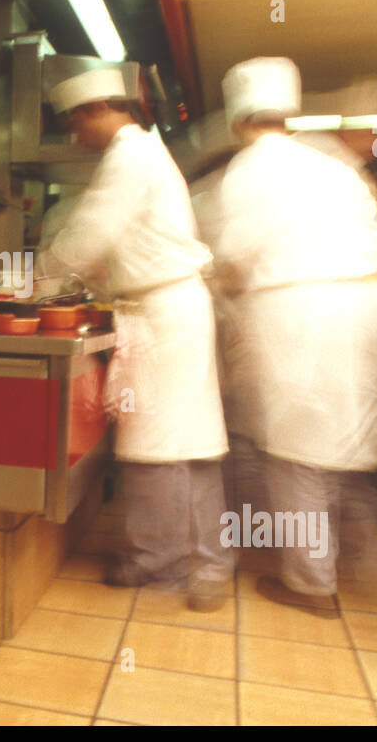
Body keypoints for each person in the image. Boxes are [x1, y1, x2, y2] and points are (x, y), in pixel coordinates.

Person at [213, 57, 377, 600]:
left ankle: (311, 581)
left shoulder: (248, 169)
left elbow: (233, 264)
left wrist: (215, 290)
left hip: (306, 320)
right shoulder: (332, 166)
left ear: (237, 120)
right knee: (338, 451)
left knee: (295, 454)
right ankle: (374, 566)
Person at [38, 68, 232, 608]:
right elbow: (112, 244)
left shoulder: (130, 156)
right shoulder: (146, 152)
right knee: (188, 442)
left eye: (73, 124)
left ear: (95, 109)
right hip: (168, 308)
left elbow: (88, 236)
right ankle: (205, 564)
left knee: (156, 443)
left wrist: (33, 281)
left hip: (164, 314)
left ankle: (161, 563)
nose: (74, 137)